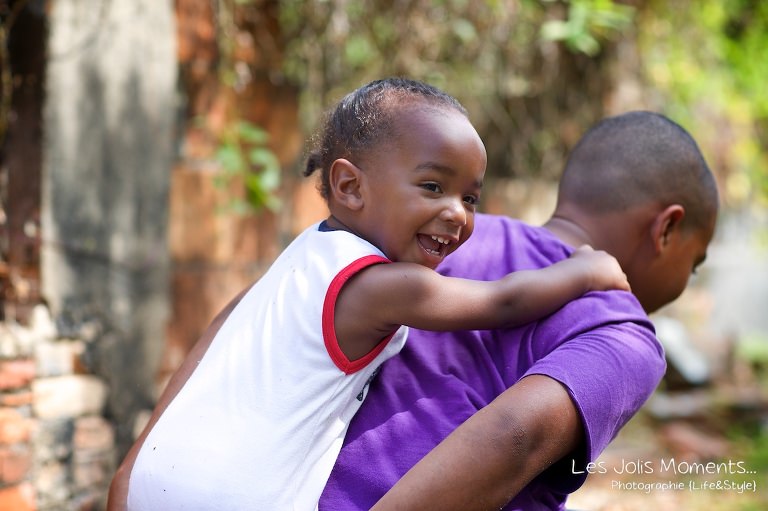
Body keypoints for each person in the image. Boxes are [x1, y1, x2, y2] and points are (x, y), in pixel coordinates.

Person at [107, 78, 629, 511]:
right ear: (351, 187)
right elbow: (503, 303)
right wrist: (585, 271)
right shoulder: (381, 284)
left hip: (156, 474)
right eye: (432, 186)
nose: (458, 214)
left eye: (470, 197)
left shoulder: (304, 254)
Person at [319, 110, 719, 511]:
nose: (689, 280)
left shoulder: (432, 234)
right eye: (695, 262)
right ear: (666, 229)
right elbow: (516, 439)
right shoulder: (622, 332)